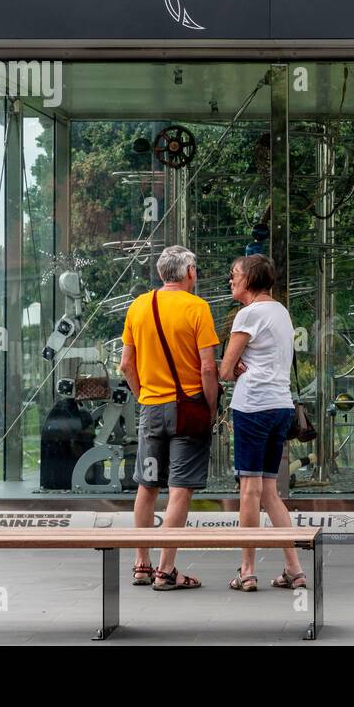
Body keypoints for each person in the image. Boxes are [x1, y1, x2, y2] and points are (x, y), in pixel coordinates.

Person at [120, 245, 220, 591]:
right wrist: (211, 407)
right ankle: (166, 570)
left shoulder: (138, 306)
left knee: (147, 487)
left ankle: (141, 564)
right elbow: (208, 366)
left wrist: (143, 395)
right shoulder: (197, 308)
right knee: (179, 490)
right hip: (188, 409)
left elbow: (125, 365)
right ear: (189, 272)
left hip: (151, 410)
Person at [219, 253, 306, 592]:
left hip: (253, 407)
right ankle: (294, 569)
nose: (231, 280)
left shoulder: (249, 314)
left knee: (250, 490)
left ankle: (247, 570)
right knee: (270, 491)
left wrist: (236, 367)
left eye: (234, 274)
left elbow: (226, 369)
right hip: (281, 407)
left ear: (249, 280)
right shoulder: (281, 312)